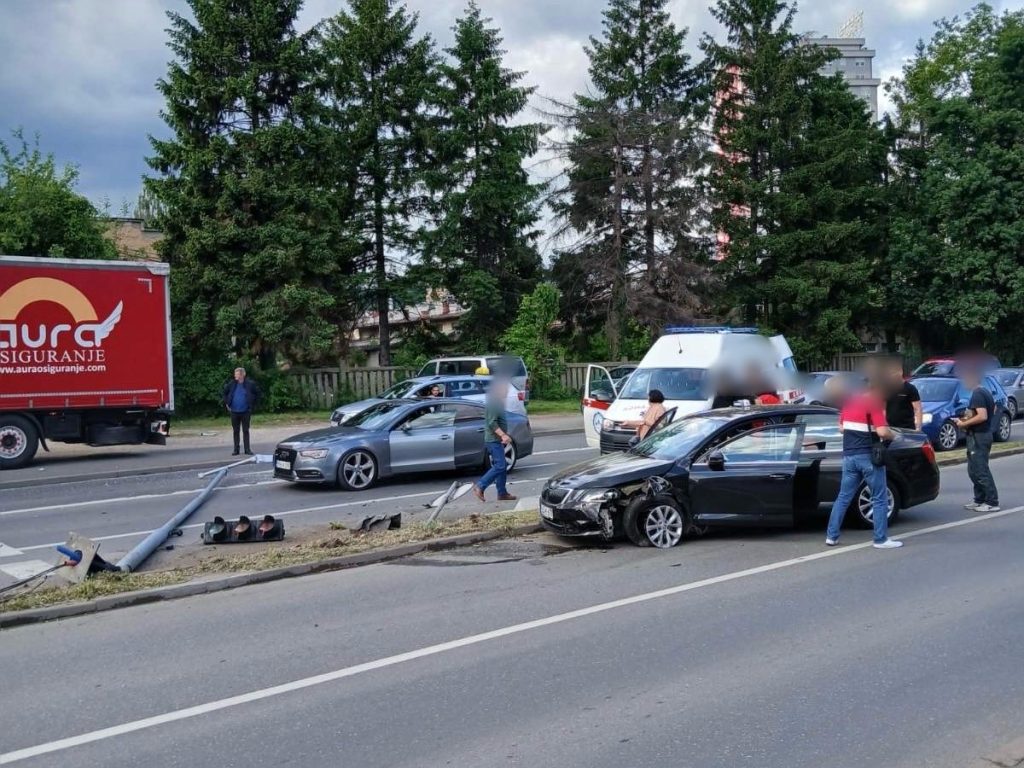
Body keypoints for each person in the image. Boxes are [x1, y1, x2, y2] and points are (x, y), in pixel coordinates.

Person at [825, 374, 903, 549]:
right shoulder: (873, 404)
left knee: (843, 497)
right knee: (879, 498)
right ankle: (881, 539)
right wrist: (894, 434)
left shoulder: (850, 403)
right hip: (868, 457)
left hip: (849, 456)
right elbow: (883, 432)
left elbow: (841, 428)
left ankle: (832, 536)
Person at [957, 368, 999, 512]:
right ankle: (979, 499)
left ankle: (992, 502)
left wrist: (964, 423)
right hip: (981, 434)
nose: (964, 381)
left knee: (980, 469)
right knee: (973, 469)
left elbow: (983, 416)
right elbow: (992, 410)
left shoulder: (978, 393)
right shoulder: (985, 392)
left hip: (979, 436)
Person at [473, 379, 517, 502]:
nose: (506, 391)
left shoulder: (497, 402)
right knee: (500, 465)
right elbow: (492, 423)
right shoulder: (493, 403)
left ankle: (502, 493)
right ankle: (480, 486)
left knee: (502, 466)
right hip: (493, 440)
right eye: (504, 389)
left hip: (496, 440)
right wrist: (503, 435)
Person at [222, 367, 261, 456]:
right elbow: (224, 392)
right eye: (235, 374)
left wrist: (253, 404)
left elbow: (258, 393)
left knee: (245, 430)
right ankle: (236, 449)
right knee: (236, 431)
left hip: (246, 411)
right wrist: (227, 403)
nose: (235, 375)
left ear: (243, 374)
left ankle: (247, 449)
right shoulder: (232, 384)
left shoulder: (250, 384)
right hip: (234, 411)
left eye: (237, 374)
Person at [885, 359, 922, 430]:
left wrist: (918, 427)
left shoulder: (910, 388)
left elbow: (918, 409)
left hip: (907, 428)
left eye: (893, 372)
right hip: (890, 429)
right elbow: (883, 408)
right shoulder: (887, 389)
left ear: (900, 372)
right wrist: (884, 425)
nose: (891, 375)